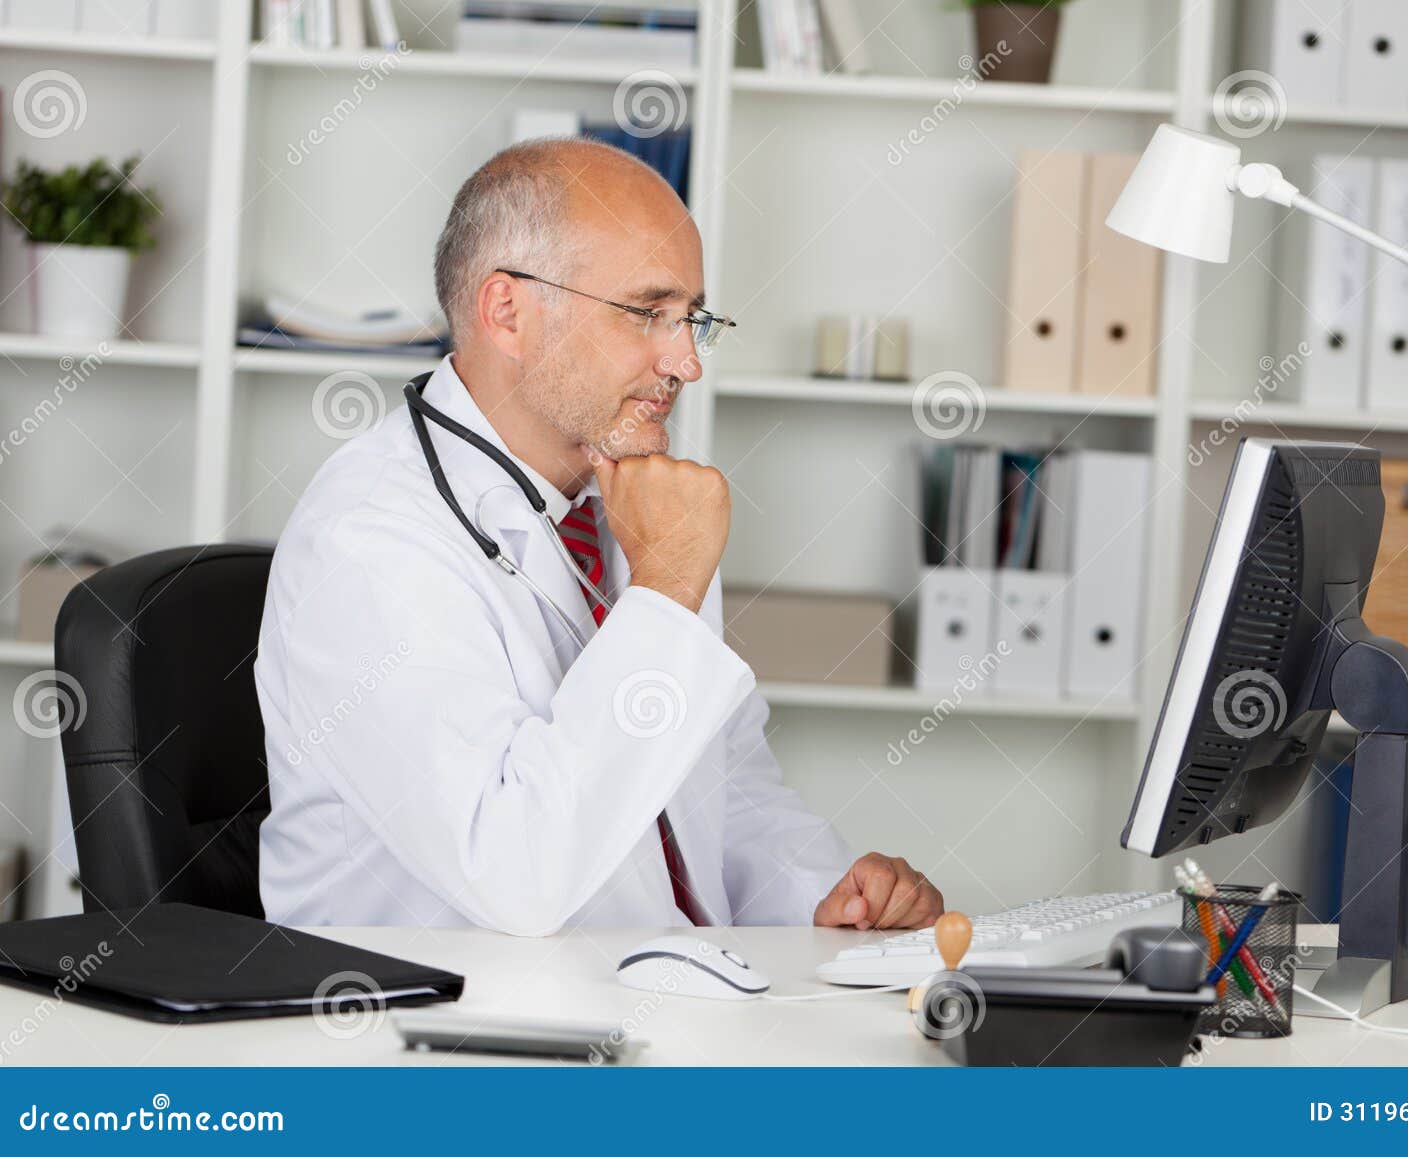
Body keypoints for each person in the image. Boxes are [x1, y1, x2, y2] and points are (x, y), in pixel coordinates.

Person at [255, 138, 944, 936]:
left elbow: (722, 784)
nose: (686, 362)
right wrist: (662, 589)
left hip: (648, 1001)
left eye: (693, 319)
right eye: (648, 312)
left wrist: (825, 897)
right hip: (448, 1035)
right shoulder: (369, 542)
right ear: (507, 311)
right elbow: (517, 873)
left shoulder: (635, 501)